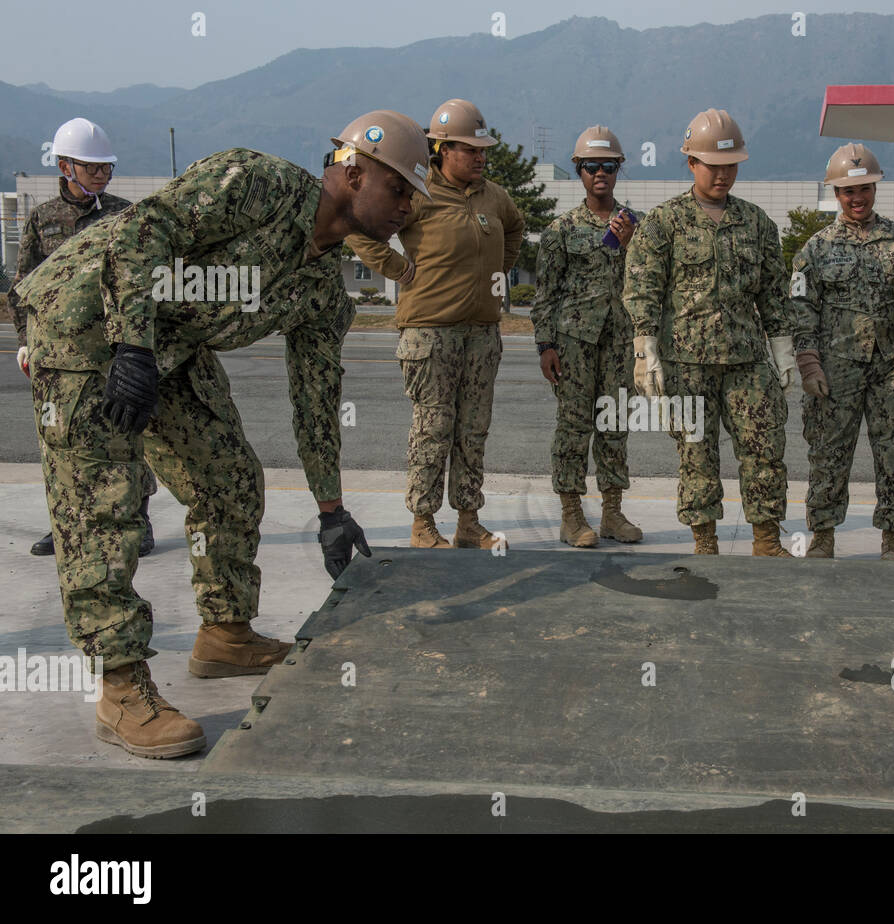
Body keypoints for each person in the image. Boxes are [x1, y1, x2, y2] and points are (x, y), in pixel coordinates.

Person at [14, 110, 429, 758]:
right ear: (351, 170)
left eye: (412, 196)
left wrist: (330, 509)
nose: (406, 205)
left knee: (231, 478)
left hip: (171, 346)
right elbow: (139, 235)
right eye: (398, 187)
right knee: (105, 505)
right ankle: (121, 688)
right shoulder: (254, 183)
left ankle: (224, 635)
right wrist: (129, 346)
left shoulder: (323, 284)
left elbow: (317, 399)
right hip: (90, 324)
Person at [349, 98, 524, 551]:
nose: (482, 157)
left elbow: (515, 228)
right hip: (429, 334)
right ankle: (423, 524)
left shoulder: (494, 196)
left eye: (484, 150)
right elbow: (356, 227)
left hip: (482, 335)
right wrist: (399, 270)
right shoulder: (417, 190)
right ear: (442, 149)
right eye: (471, 150)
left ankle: (469, 521)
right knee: (433, 427)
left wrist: (498, 274)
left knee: (473, 429)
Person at [623, 108, 796, 556]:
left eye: (730, 166)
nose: (722, 175)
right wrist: (645, 349)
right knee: (696, 458)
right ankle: (705, 544)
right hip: (686, 362)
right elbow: (643, 287)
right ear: (691, 163)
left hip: (747, 362)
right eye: (712, 166)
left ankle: (766, 541)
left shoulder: (757, 224)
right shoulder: (664, 222)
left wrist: (783, 350)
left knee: (764, 453)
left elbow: (774, 293)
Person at [7, 118, 156, 557]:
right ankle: (67, 526)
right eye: (92, 168)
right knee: (60, 442)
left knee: (126, 436)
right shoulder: (42, 221)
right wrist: (25, 341)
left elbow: (140, 284)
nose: (101, 176)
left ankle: (138, 521)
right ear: (66, 166)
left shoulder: (122, 215)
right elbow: (22, 289)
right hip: (56, 356)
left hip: (111, 352)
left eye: (106, 168)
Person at [791, 143, 894, 559]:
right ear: (836, 194)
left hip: (891, 369)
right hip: (836, 370)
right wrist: (808, 363)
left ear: (874, 187)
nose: (858, 197)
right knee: (828, 453)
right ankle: (824, 535)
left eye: (864, 187)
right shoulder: (816, 248)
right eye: (849, 191)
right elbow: (800, 308)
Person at [532, 125, 643, 548]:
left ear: (618, 170)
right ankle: (571, 516)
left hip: (620, 345)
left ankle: (612, 513)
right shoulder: (561, 230)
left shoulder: (636, 225)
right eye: (592, 166)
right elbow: (546, 294)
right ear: (579, 171)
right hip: (574, 345)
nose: (601, 173)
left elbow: (646, 282)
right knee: (573, 429)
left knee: (613, 427)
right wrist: (546, 346)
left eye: (609, 166)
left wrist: (631, 244)